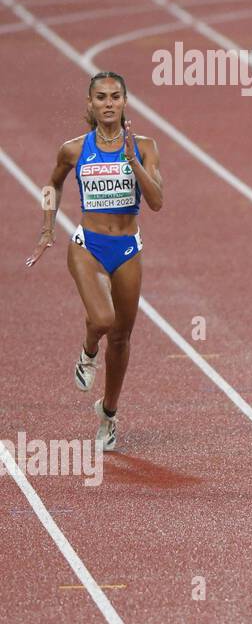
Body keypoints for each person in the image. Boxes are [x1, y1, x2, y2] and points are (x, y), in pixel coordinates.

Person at [26, 72, 164, 452]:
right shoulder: (73, 149)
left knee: (120, 338)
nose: (108, 103)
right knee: (103, 320)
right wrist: (47, 227)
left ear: (124, 102)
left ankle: (108, 413)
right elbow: (52, 184)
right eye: (101, 97)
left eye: (115, 96)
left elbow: (156, 201)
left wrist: (133, 161)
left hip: (127, 248)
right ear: (90, 103)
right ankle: (88, 353)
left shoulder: (145, 146)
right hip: (88, 245)